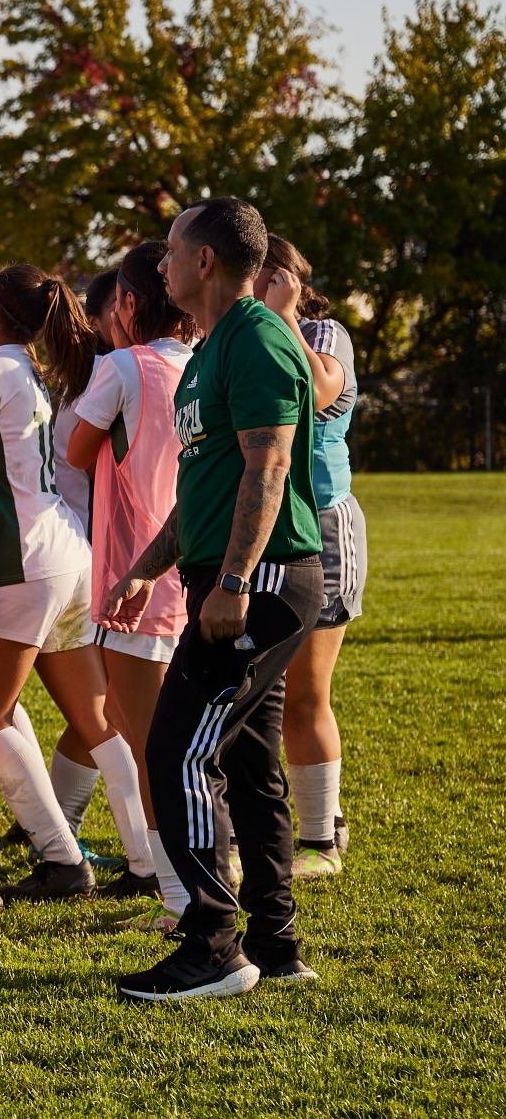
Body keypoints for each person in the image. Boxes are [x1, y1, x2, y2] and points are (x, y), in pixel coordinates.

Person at [107, 196, 324, 1001]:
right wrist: (143, 568)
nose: (160, 265)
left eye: (170, 251)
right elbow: (203, 489)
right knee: (246, 760)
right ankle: (276, 940)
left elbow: (268, 468)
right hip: (228, 575)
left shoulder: (258, 337)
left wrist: (233, 582)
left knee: (176, 750)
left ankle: (212, 944)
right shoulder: (208, 352)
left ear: (205, 261)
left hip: (259, 580)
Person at [0, 264, 123, 903]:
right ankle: (145, 855)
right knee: (95, 717)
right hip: (68, 550)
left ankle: (61, 860)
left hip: (21, 560)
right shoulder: (30, 370)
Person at [69, 241, 199, 923]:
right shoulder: (205, 360)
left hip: (136, 574)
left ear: (125, 303)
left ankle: (180, 895)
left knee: (152, 743)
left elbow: (76, 449)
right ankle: (214, 862)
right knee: (184, 734)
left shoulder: (123, 365)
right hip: (196, 565)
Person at [256, 235, 360, 880]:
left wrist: (287, 315)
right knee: (256, 691)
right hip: (261, 523)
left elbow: (319, 392)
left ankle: (321, 838)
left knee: (305, 690)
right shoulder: (233, 335)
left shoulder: (323, 332)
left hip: (320, 519)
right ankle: (258, 830)